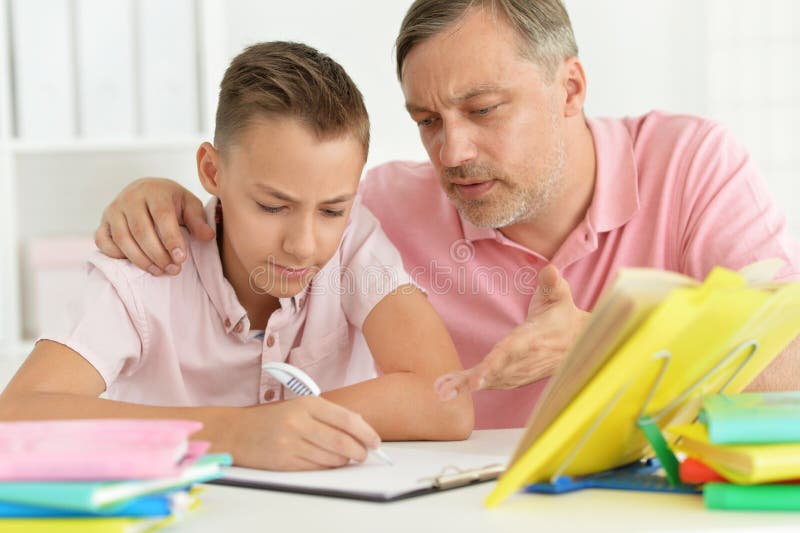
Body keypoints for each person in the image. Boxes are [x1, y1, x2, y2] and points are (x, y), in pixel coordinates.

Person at [91, 1, 800, 429]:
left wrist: (613, 343)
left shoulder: (690, 163)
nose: (451, 151)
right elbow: (276, 205)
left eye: (483, 110)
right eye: (427, 119)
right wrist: (162, 197)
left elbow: (791, 367)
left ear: (571, 88)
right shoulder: (385, 206)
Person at [0, 41, 474, 470]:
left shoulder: (355, 243)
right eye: (272, 206)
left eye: (332, 209)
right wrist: (233, 434)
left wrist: (276, 423)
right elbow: (15, 420)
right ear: (212, 171)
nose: (304, 245)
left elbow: (448, 401)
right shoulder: (146, 263)